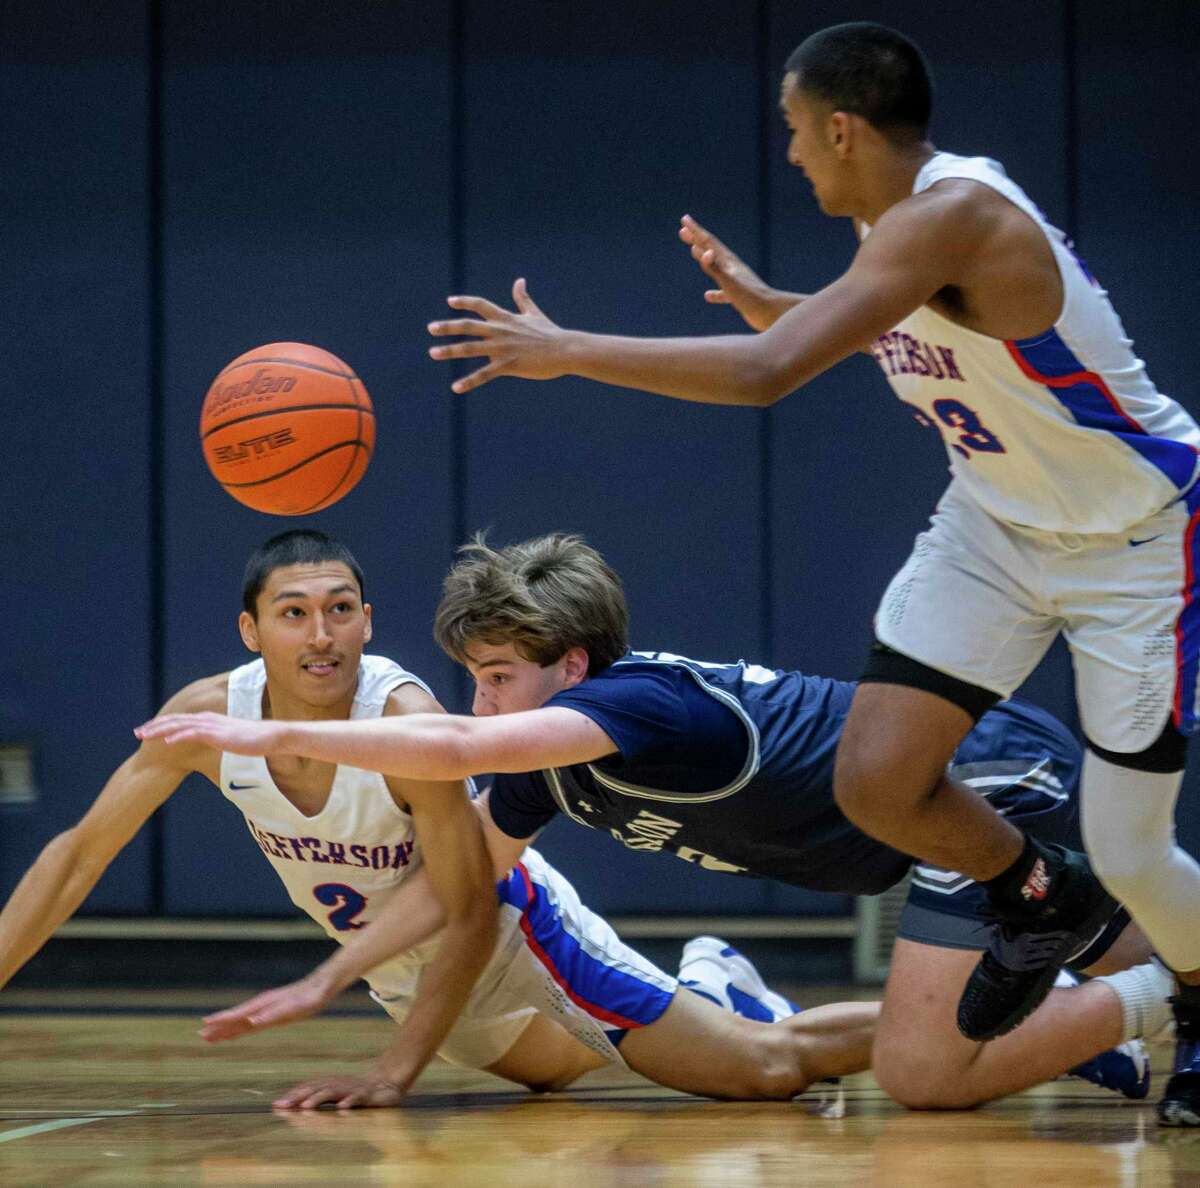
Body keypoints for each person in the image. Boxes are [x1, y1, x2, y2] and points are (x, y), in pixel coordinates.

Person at [419, 22, 1200, 1126]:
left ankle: (1178, 989)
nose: (787, 154)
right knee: (875, 781)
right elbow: (883, 332)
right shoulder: (900, 234)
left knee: (1133, 846)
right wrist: (779, 305)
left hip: (1136, 536)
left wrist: (567, 350)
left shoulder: (956, 214)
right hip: (996, 525)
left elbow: (769, 374)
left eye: (793, 131)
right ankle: (1039, 899)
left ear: (841, 128)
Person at [140, 531, 1173, 1110]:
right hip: (929, 820)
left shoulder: (642, 704)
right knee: (1109, 955)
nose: (482, 700)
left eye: (496, 677)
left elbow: (449, 748)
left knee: (923, 1072)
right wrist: (323, 982)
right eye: (476, 678)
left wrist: (253, 731)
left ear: (571, 666)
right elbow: (454, 888)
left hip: (978, 779)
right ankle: (1135, 1005)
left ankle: (1140, 1002)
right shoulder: (550, 767)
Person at [0, 528, 877, 1108]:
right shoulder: (207, 714)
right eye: (294, 614)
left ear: (367, 622)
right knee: (561, 1072)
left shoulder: (404, 718)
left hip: (510, 930)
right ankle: (710, 991)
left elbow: (467, 905)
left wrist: (391, 1073)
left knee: (752, 1072)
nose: (321, 635)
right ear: (250, 630)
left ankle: (884, 1026)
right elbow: (77, 857)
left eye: (340, 611)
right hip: (398, 967)